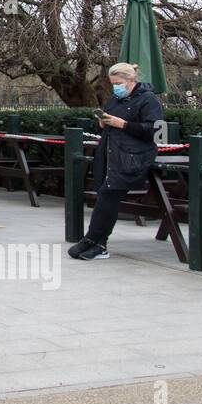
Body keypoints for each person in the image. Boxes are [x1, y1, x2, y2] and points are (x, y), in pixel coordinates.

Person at [68, 62, 165, 261]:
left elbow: (157, 131)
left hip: (132, 157)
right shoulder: (115, 100)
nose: (116, 87)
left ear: (131, 80)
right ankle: (95, 242)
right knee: (105, 196)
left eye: (119, 83)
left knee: (107, 196)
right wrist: (103, 123)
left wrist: (124, 124)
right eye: (113, 84)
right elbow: (107, 129)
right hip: (110, 155)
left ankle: (95, 240)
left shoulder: (149, 100)